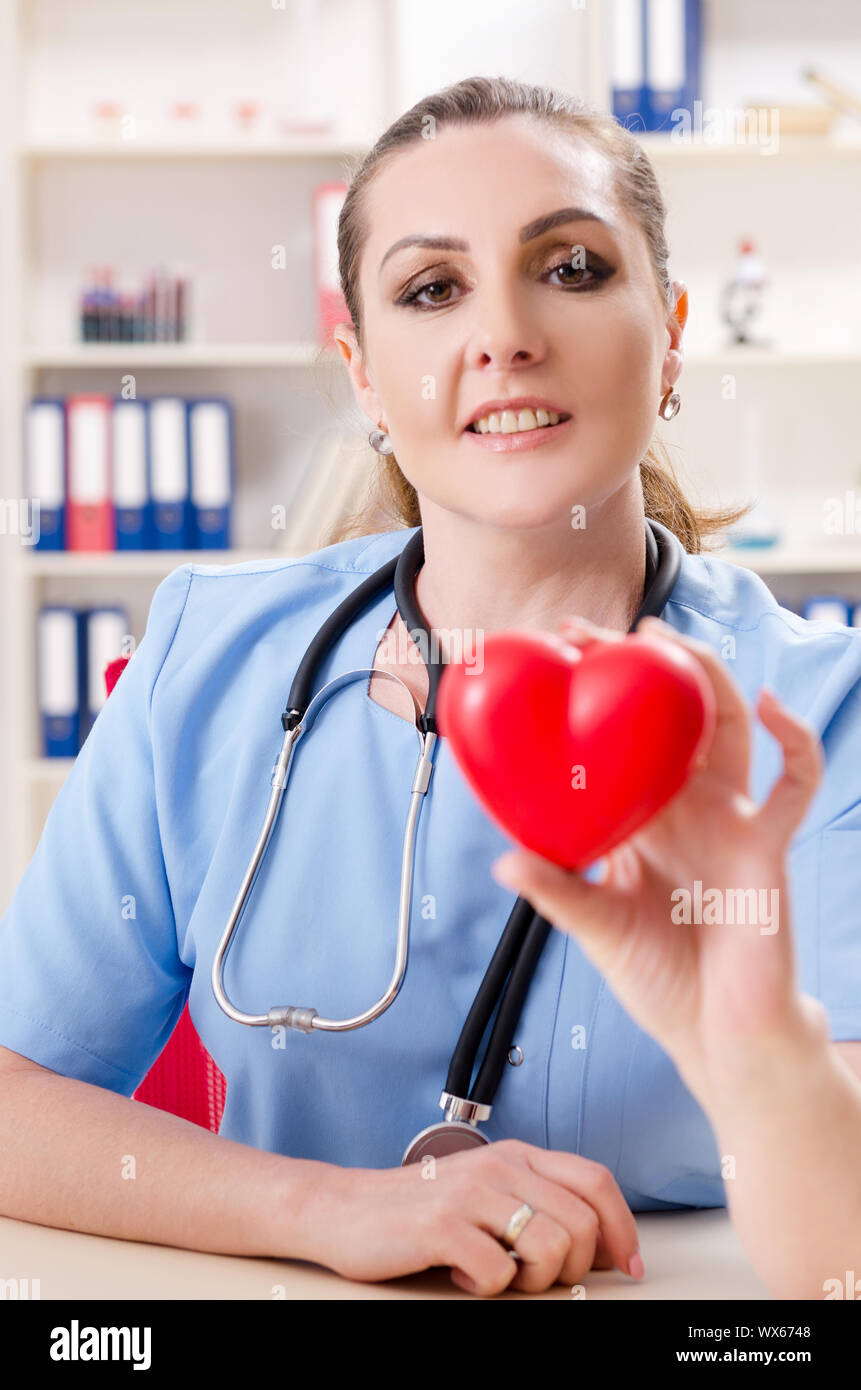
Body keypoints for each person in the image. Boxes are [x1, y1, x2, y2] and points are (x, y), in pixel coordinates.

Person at [0, 76, 859, 1300]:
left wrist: (754, 1045)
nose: (503, 333)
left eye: (569, 268)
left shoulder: (815, 718)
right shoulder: (207, 662)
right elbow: (14, 1096)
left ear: (671, 334)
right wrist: (331, 1209)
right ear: (362, 374)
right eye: (432, 289)